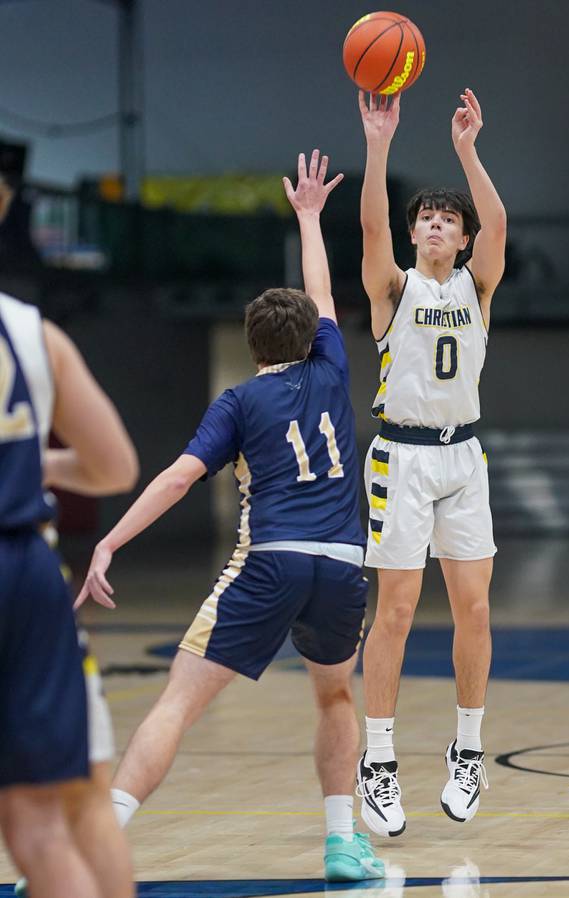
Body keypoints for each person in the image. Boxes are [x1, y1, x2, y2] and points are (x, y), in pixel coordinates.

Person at [75, 149, 385, 883]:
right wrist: (309, 216)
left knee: (179, 703)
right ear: (311, 339)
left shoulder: (239, 402)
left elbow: (181, 479)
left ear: (252, 349)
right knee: (337, 694)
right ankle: (343, 843)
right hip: (344, 566)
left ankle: (96, 848)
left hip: (271, 561)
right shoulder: (333, 367)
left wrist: (110, 541)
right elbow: (324, 292)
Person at [354, 88, 507, 837]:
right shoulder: (394, 289)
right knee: (400, 611)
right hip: (402, 460)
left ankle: (468, 751)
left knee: (475, 608)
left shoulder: (479, 288)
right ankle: (377, 763)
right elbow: (372, 224)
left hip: (464, 458)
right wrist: (379, 144)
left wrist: (467, 150)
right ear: (415, 234)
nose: (435, 223)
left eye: (448, 218)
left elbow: (500, 224)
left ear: (463, 237)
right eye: (426, 217)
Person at [0, 167, 139, 898]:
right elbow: (113, 465)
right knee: (64, 812)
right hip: (27, 573)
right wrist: (32, 460)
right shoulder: (30, 331)